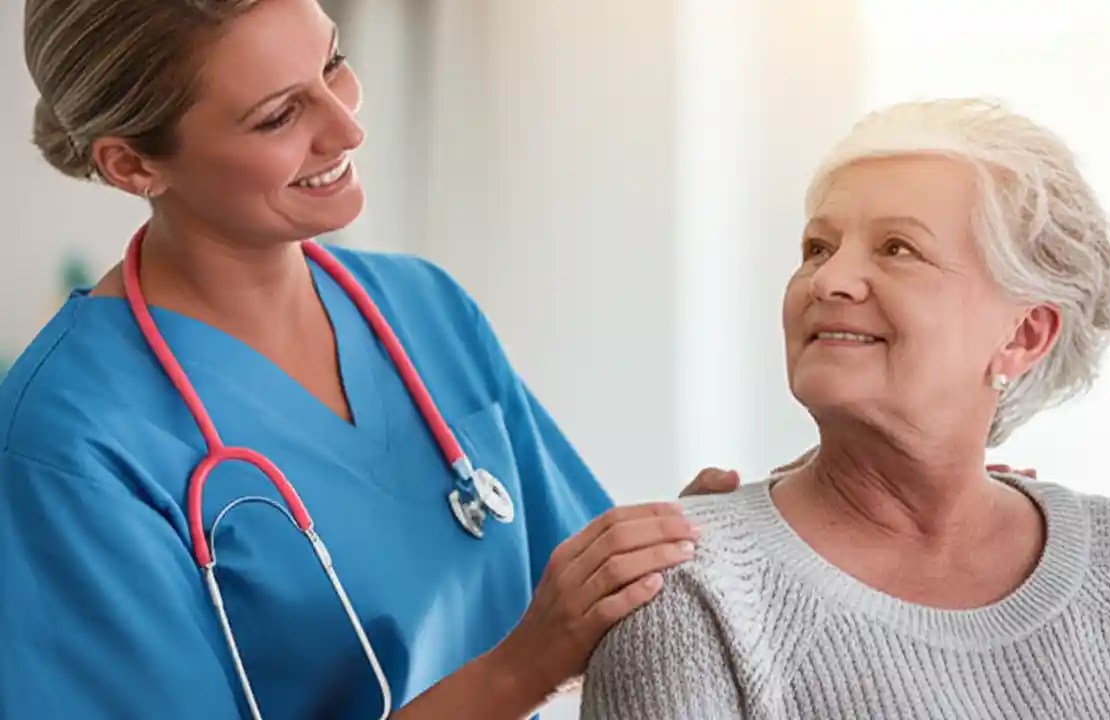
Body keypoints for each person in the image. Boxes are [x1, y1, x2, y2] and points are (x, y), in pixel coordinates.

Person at [1, 1, 752, 718]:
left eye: (334, 65)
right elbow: (543, 644)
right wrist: (521, 668)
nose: (346, 128)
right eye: (279, 115)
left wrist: (676, 558)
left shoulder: (424, 310)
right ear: (132, 165)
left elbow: (580, 606)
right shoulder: (69, 444)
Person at [581, 98, 1110, 719]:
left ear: (1024, 335)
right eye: (817, 247)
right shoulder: (687, 589)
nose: (830, 278)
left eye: (897, 248)